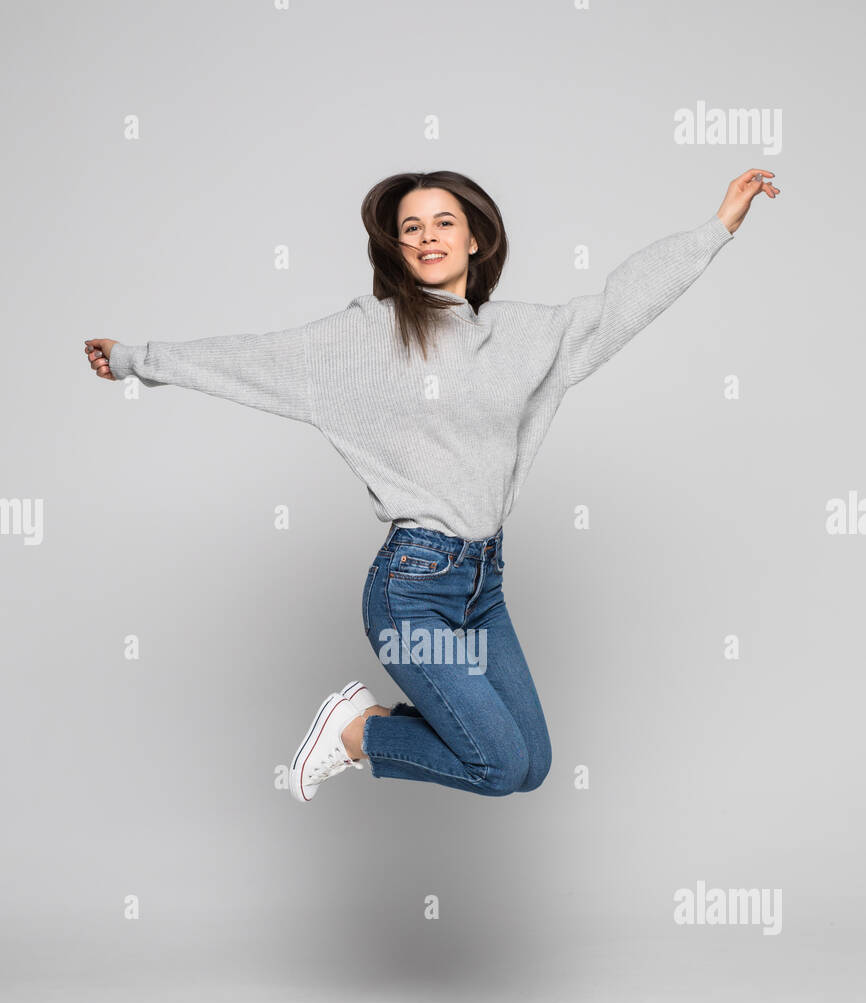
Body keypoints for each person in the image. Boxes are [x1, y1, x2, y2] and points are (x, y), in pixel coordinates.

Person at [85, 167, 779, 803]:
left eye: (443, 222)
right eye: (411, 228)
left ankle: (372, 724)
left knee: (529, 767)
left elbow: (617, 306)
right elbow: (256, 358)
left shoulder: (521, 337)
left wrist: (716, 227)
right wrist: (133, 360)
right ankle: (358, 732)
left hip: (483, 586)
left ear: (476, 238)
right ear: (398, 248)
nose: (426, 237)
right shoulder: (367, 335)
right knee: (497, 766)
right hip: (411, 588)